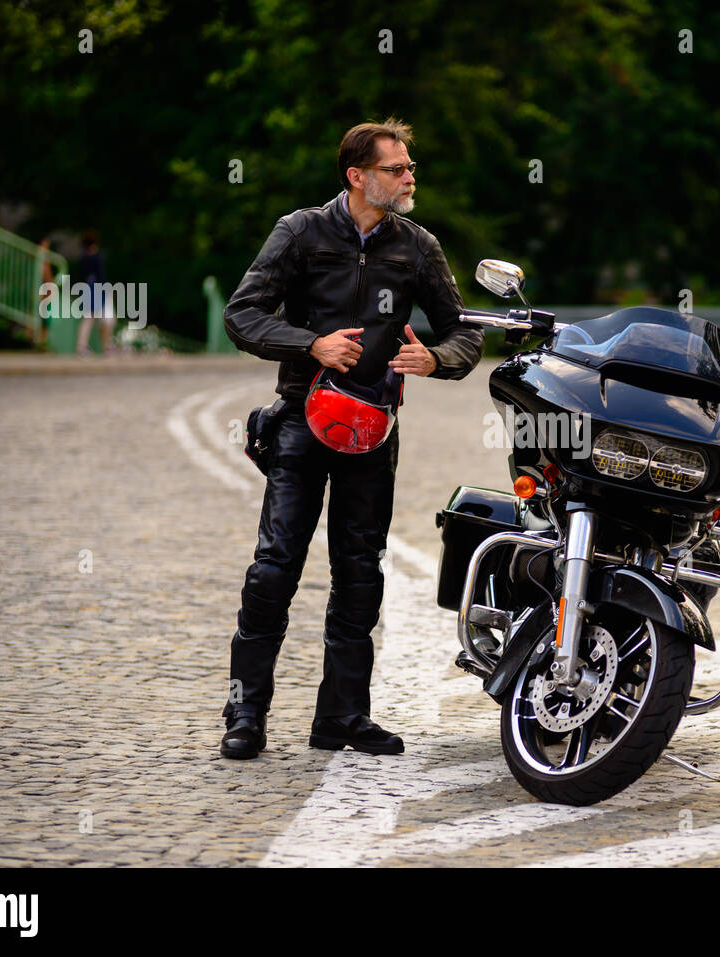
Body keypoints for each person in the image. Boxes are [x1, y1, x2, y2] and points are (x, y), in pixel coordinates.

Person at [218, 118, 484, 759]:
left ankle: (340, 718)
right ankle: (244, 715)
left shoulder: (418, 246)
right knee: (273, 572)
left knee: (360, 575)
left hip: (374, 430)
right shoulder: (301, 231)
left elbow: (465, 333)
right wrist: (309, 343)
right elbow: (242, 314)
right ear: (357, 176)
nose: (409, 177)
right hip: (298, 427)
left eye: (410, 167)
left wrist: (438, 360)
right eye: (396, 169)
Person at [75, 229, 114, 356]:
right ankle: (104, 347)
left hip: (87, 287)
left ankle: (83, 345)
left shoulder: (84, 257)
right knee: (103, 318)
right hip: (97, 288)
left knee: (90, 317)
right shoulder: (96, 256)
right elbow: (101, 275)